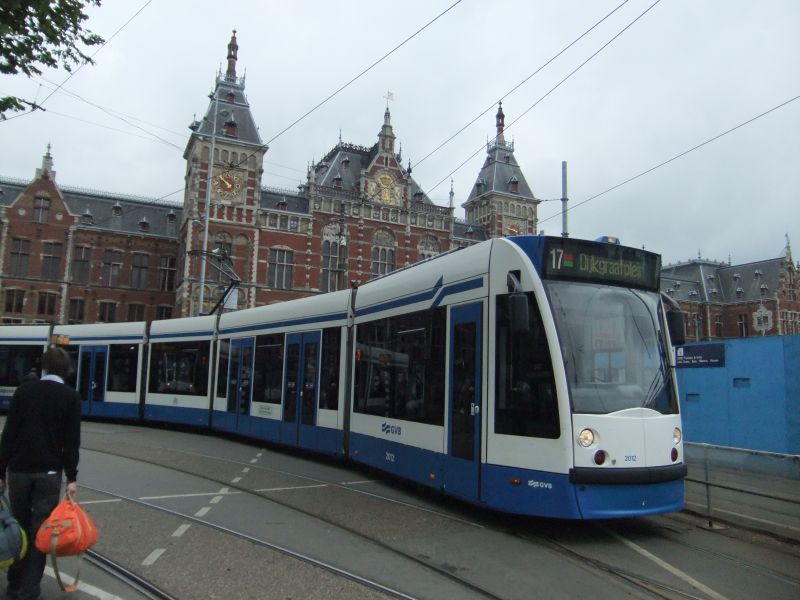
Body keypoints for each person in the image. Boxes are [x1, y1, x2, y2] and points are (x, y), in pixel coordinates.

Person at [0, 347, 81, 600]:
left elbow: (9, 433)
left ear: (43, 367)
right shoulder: (70, 396)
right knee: (41, 532)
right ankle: (30, 589)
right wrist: (72, 477)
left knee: (18, 527)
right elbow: (71, 441)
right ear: (66, 370)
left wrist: (0, 470)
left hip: (20, 470)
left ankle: (14, 583)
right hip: (49, 472)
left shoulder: (24, 391)